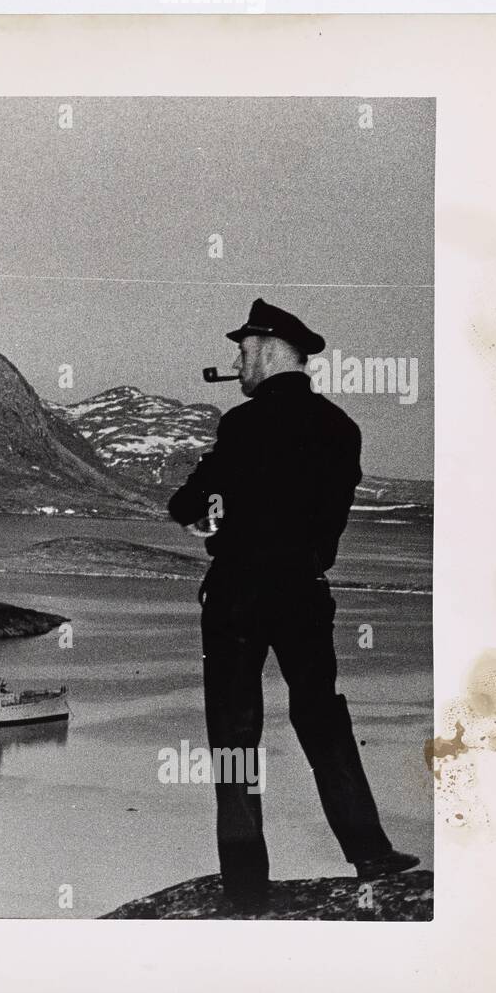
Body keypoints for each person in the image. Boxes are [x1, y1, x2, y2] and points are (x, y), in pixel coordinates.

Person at [168, 298, 419, 911]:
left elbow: (187, 506)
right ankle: (370, 853)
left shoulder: (242, 425)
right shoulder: (340, 427)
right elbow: (326, 525)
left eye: (243, 348)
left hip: (237, 595)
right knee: (322, 717)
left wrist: (209, 496)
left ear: (271, 347)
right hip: (303, 591)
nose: (236, 360)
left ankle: (247, 881)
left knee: (233, 733)